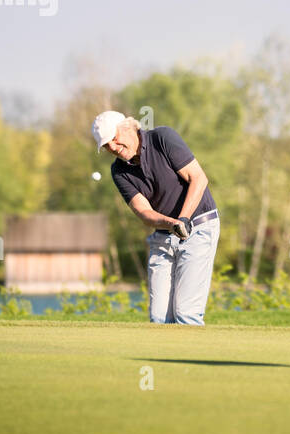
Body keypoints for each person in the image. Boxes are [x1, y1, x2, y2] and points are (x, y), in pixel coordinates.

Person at [91, 111, 219, 324]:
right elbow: (144, 212)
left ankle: (190, 357)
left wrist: (183, 219)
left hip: (199, 226)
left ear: (129, 127)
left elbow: (198, 178)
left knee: (186, 313)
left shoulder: (162, 138)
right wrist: (172, 224)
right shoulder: (119, 171)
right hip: (163, 236)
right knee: (159, 318)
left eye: (114, 139)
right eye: (106, 146)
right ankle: (163, 357)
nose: (112, 148)